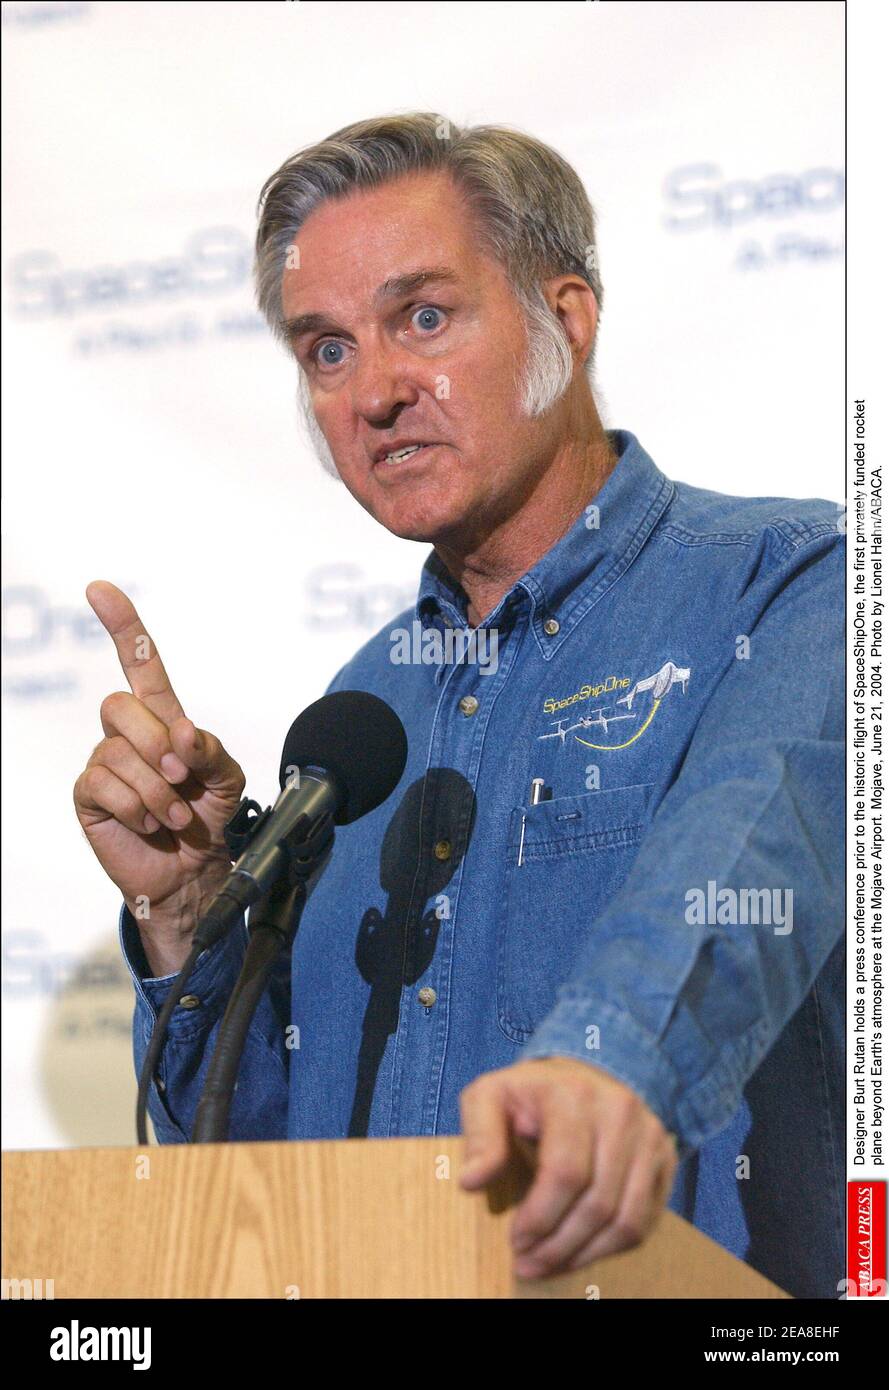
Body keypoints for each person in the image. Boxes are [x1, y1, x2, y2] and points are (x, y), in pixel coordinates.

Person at [74, 114, 843, 1298]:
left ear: (565, 318)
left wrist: (605, 1071)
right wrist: (188, 923)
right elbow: (252, 1188)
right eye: (324, 350)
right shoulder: (358, 718)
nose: (373, 391)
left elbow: (746, 857)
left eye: (422, 317)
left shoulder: (794, 578)